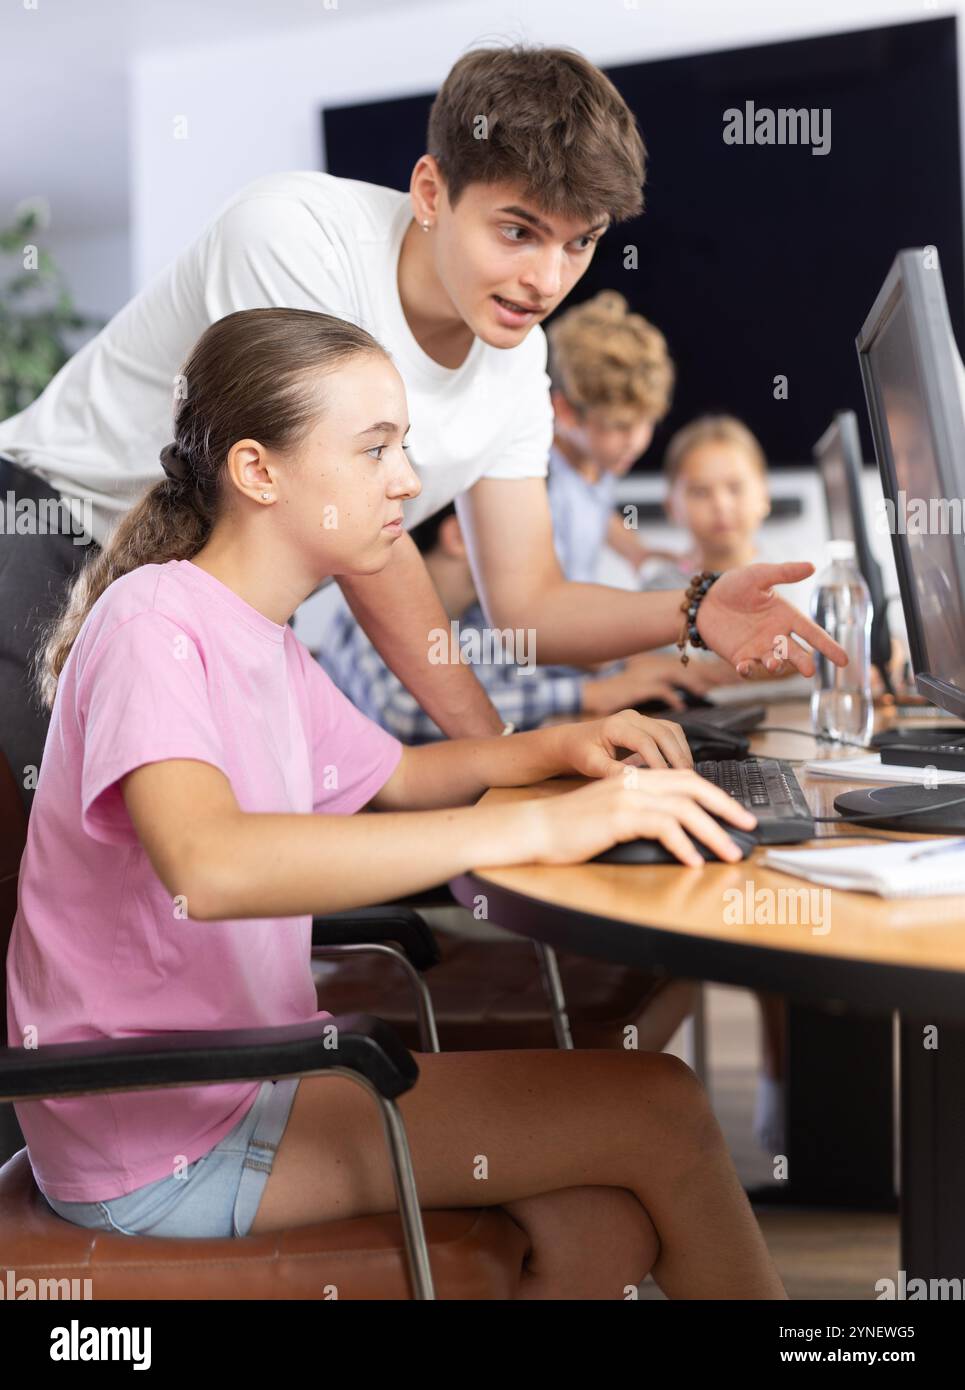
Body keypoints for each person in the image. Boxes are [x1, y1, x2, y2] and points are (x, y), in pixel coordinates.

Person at [7, 307, 787, 1298]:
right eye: (374, 448)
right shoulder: (153, 624)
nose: (408, 481)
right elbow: (210, 866)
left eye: (404, 446)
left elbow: (400, 777)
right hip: (164, 1136)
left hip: (228, 1091)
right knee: (662, 1109)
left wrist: (561, 748)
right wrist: (547, 819)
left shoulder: (260, 635)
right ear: (258, 471)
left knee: (601, 1224)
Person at [0, 42, 845, 821]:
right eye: (517, 231)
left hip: (202, 608)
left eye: (579, 244)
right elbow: (344, 516)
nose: (546, 279)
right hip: (45, 533)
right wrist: (505, 756)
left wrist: (696, 609)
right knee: (51, 863)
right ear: (432, 192)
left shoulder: (518, 364)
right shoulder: (294, 236)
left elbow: (529, 601)